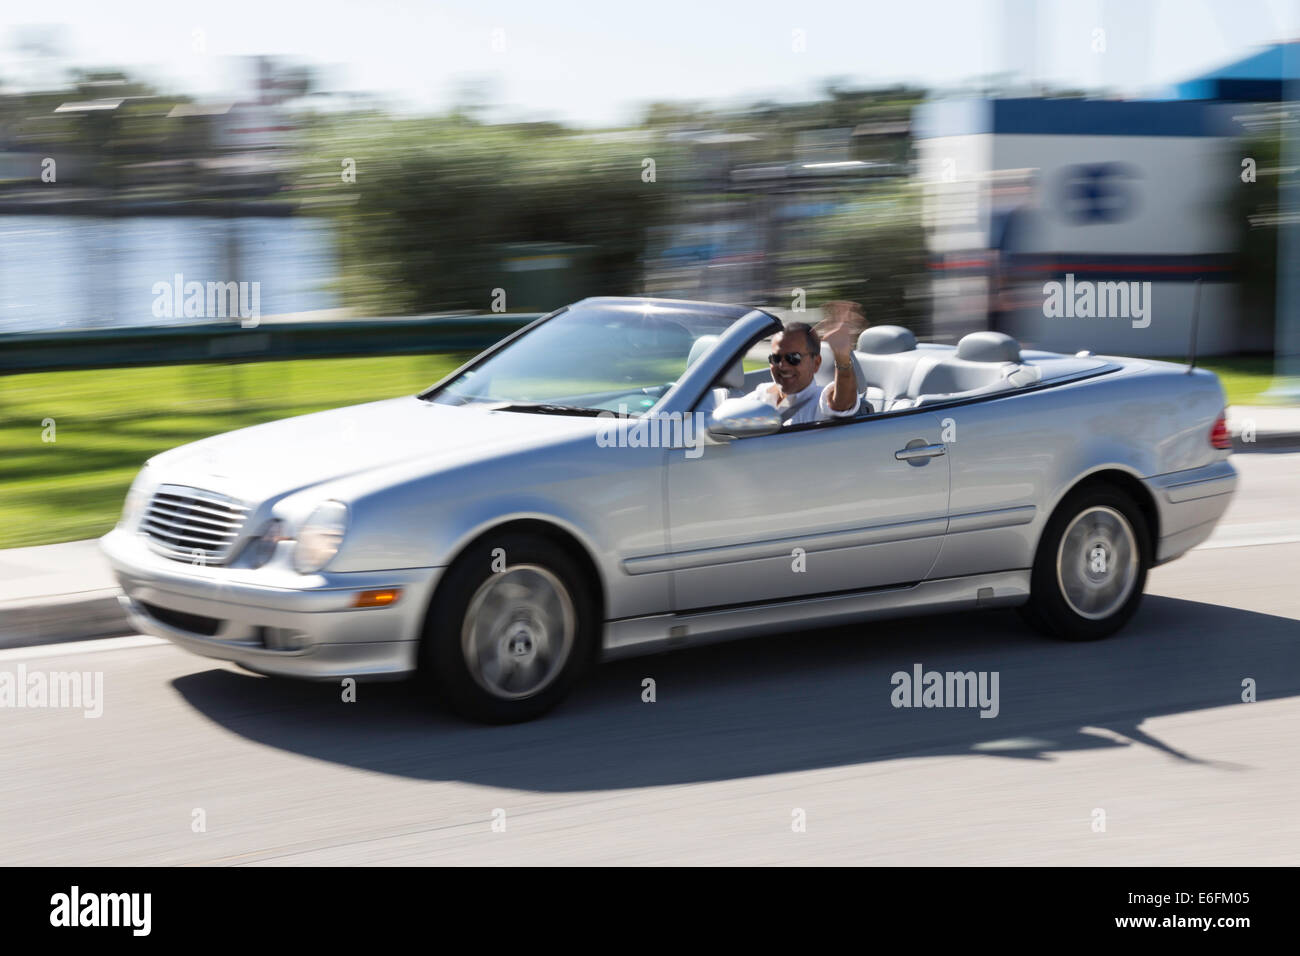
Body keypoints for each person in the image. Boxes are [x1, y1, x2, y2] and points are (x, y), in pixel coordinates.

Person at [745, 302, 862, 425]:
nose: (783, 366)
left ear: (816, 363)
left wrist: (842, 357)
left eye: (793, 358)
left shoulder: (819, 401)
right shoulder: (762, 393)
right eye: (776, 358)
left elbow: (842, 403)